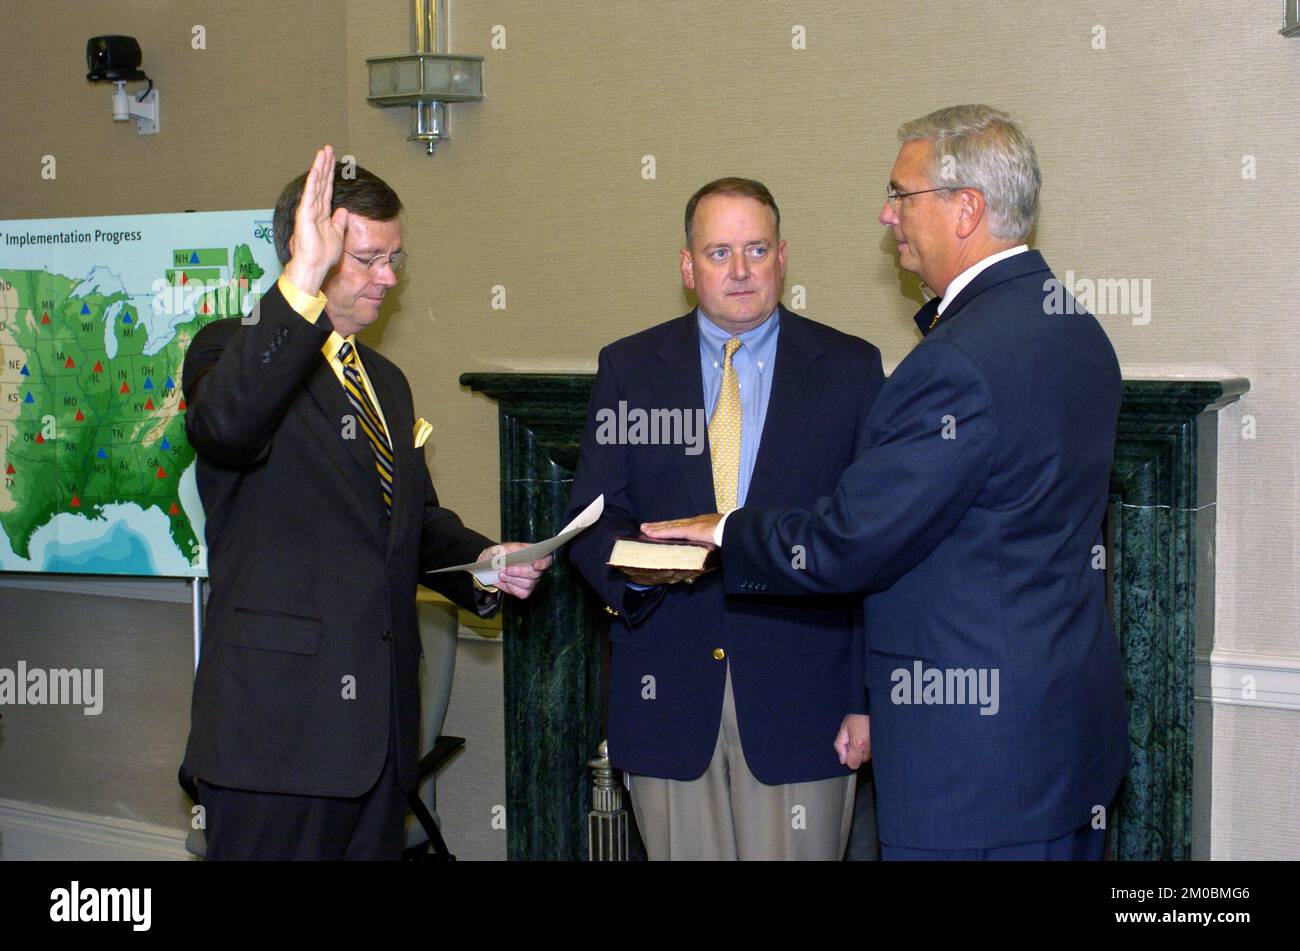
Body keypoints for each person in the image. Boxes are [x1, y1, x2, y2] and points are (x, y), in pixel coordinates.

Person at [643, 106, 1130, 860]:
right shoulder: (1074, 327)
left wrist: (725, 529)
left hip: (974, 774)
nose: (886, 214)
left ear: (965, 208)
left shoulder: (956, 361)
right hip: (1063, 744)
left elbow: (851, 538)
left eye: (901, 195)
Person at [180, 146, 550, 860]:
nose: (389, 278)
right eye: (368, 259)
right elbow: (226, 425)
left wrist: (483, 561)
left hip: (378, 744)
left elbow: (408, 528)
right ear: (306, 252)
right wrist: (299, 286)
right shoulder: (227, 350)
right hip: (275, 744)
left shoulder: (386, 379)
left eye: (395, 259)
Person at [566, 178, 885, 860]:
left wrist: (866, 695)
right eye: (718, 252)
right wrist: (650, 572)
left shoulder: (852, 370)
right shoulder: (629, 369)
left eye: (756, 249)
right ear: (687, 266)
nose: (739, 271)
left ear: (782, 257)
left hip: (808, 701)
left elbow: (872, 540)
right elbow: (592, 520)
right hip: (669, 691)